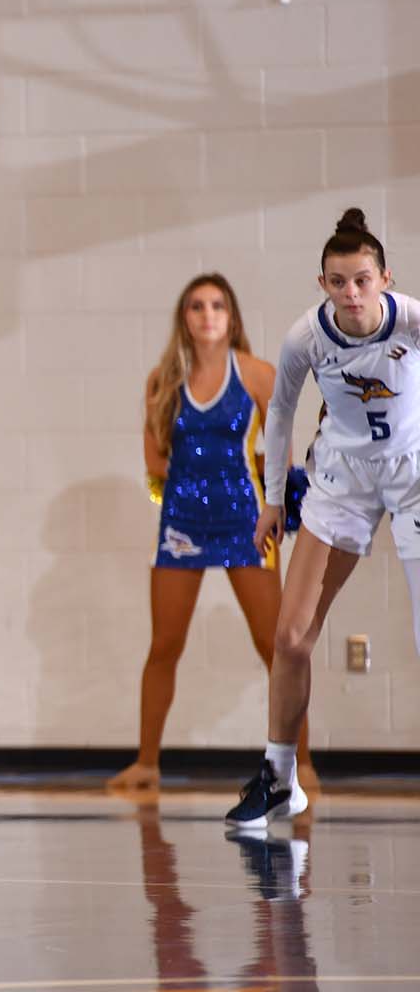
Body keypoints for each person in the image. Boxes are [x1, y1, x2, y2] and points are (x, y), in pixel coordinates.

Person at [228, 209, 420, 827]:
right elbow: (280, 414)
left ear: (385, 278)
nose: (352, 293)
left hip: (412, 473)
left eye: (363, 280)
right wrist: (274, 498)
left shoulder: (411, 321)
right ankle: (281, 778)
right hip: (341, 479)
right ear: (323, 285)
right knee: (290, 636)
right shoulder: (305, 337)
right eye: (339, 282)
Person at [110, 274, 312, 792]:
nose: (207, 315)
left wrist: (276, 508)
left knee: (277, 645)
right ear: (184, 317)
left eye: (217, 305)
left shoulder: (258, 375)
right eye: (196, 306)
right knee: (165, 645)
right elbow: (154, 459)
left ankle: (300, 765)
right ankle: (147, 764)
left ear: (232, 316)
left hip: (246, 524)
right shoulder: (163, 380)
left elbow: (283, 450)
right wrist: (176, 500)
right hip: (181, 525)